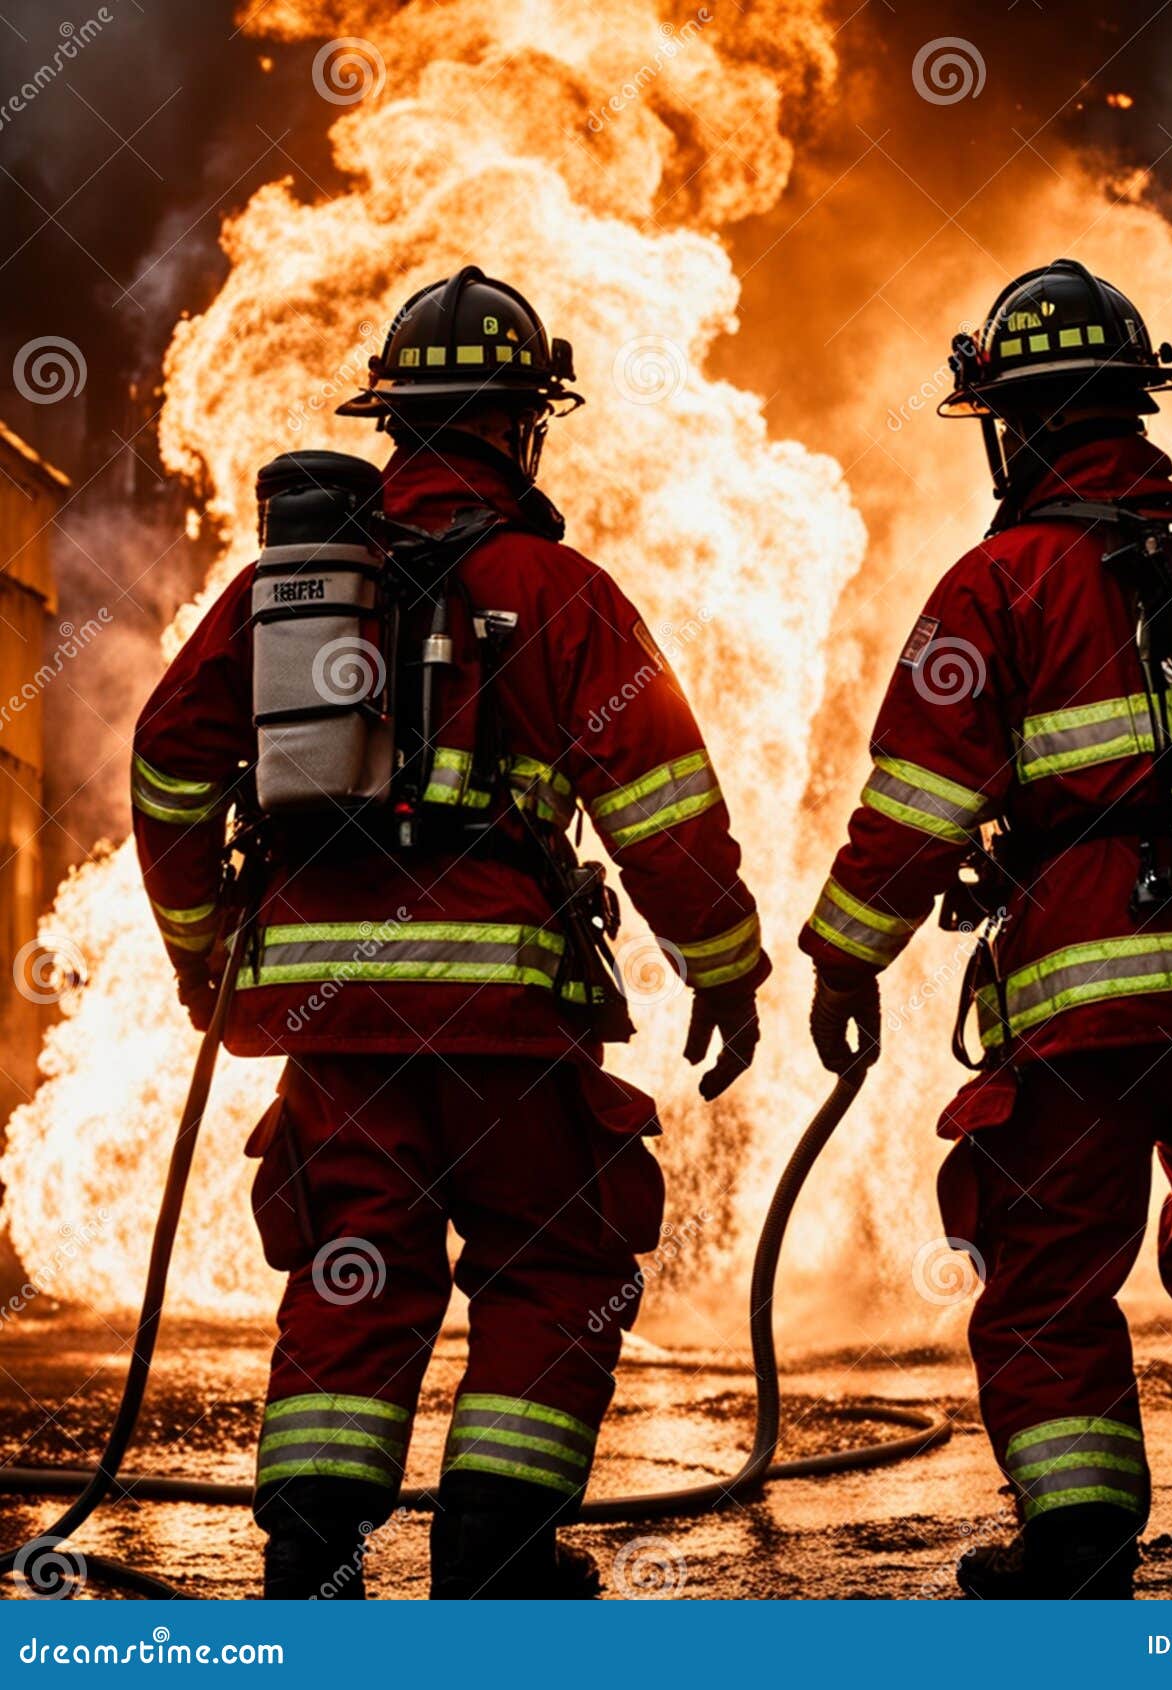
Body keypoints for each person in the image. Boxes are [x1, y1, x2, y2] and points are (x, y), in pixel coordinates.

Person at [132, 267, 767, 1599]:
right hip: (505, 1022)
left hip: (333, 1019)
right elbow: (661, 802)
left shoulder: (283, 591)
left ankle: (308, 1555)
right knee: (552, 1263)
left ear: (395, 421)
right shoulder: (557, 589)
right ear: (524, 425)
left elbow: (168, 759)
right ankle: (496, 1551)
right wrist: (722, 965)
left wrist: (205, 946)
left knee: (356, 1259)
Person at [800, 260, 1172, 1599]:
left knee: (1050, 1283)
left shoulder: (998, 583)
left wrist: (843, 953)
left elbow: (915, 804)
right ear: (1134, 402)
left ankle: (1076, 1548)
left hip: (1080, 1005)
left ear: (1015, 422)